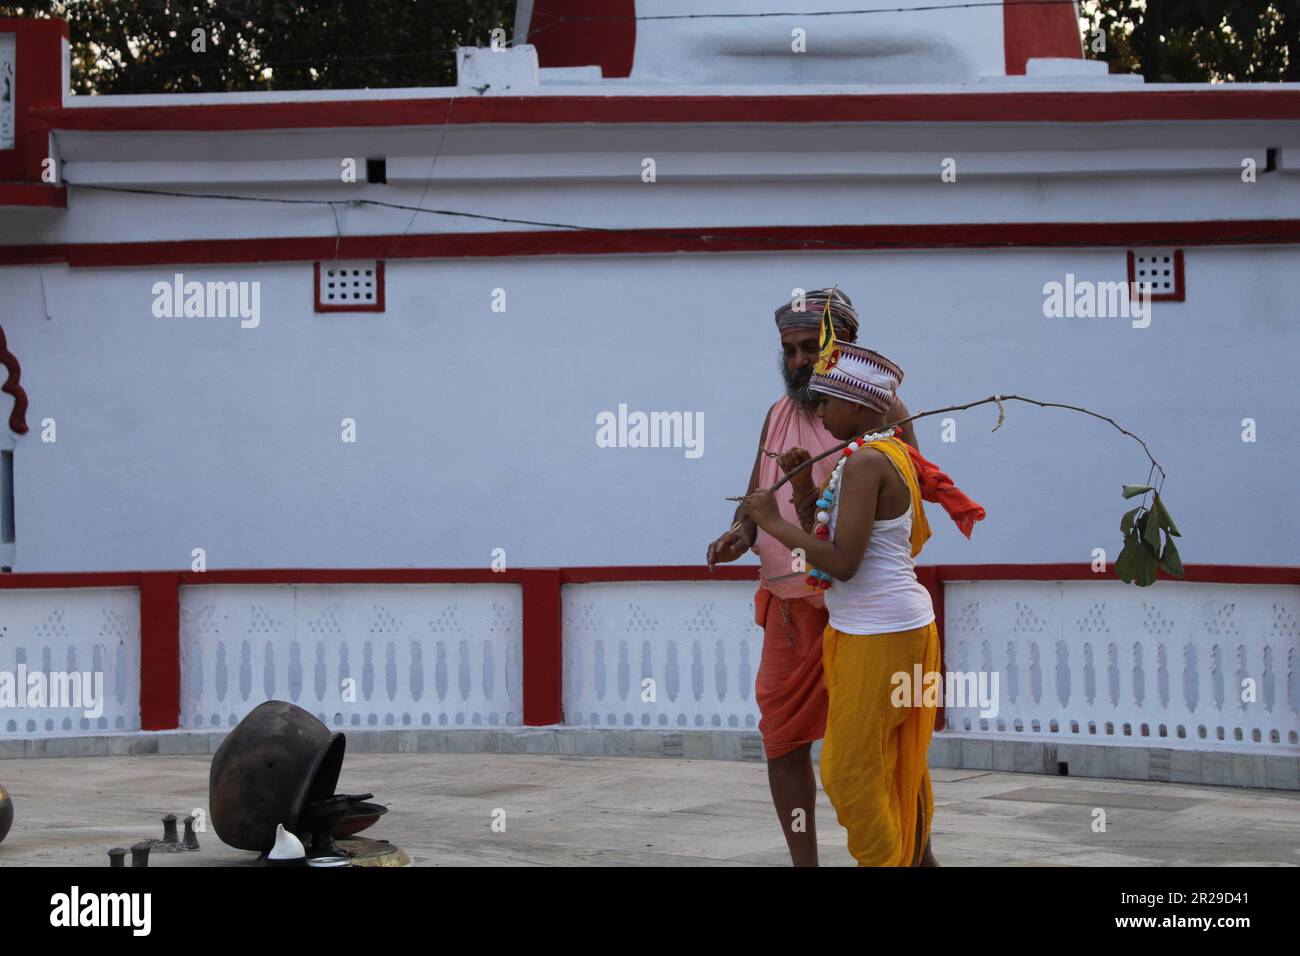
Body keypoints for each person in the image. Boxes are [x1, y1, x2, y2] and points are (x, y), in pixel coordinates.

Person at [705, 288, 917, 867]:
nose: (798, 361)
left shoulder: (881, 413)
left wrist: (799, 509)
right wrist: (740, 533)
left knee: (881, 757)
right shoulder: (777, 413)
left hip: (859, 612)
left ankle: (913, 859)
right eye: (790, 349)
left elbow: (906, 503)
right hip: (788, 609)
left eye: (810, 347)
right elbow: (757, 499)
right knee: (783, 741)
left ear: (842, 345)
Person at [741, 326, 955, 866]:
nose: (821, 412)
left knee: (849, 774)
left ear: (860, 407)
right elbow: (838, 536)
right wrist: (803, 489)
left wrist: (772, 521)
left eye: (830, 400)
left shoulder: (866, 462)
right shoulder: (866, 456)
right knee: (891, 763)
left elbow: (841, 562)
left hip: (880, 634)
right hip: (875, 630)